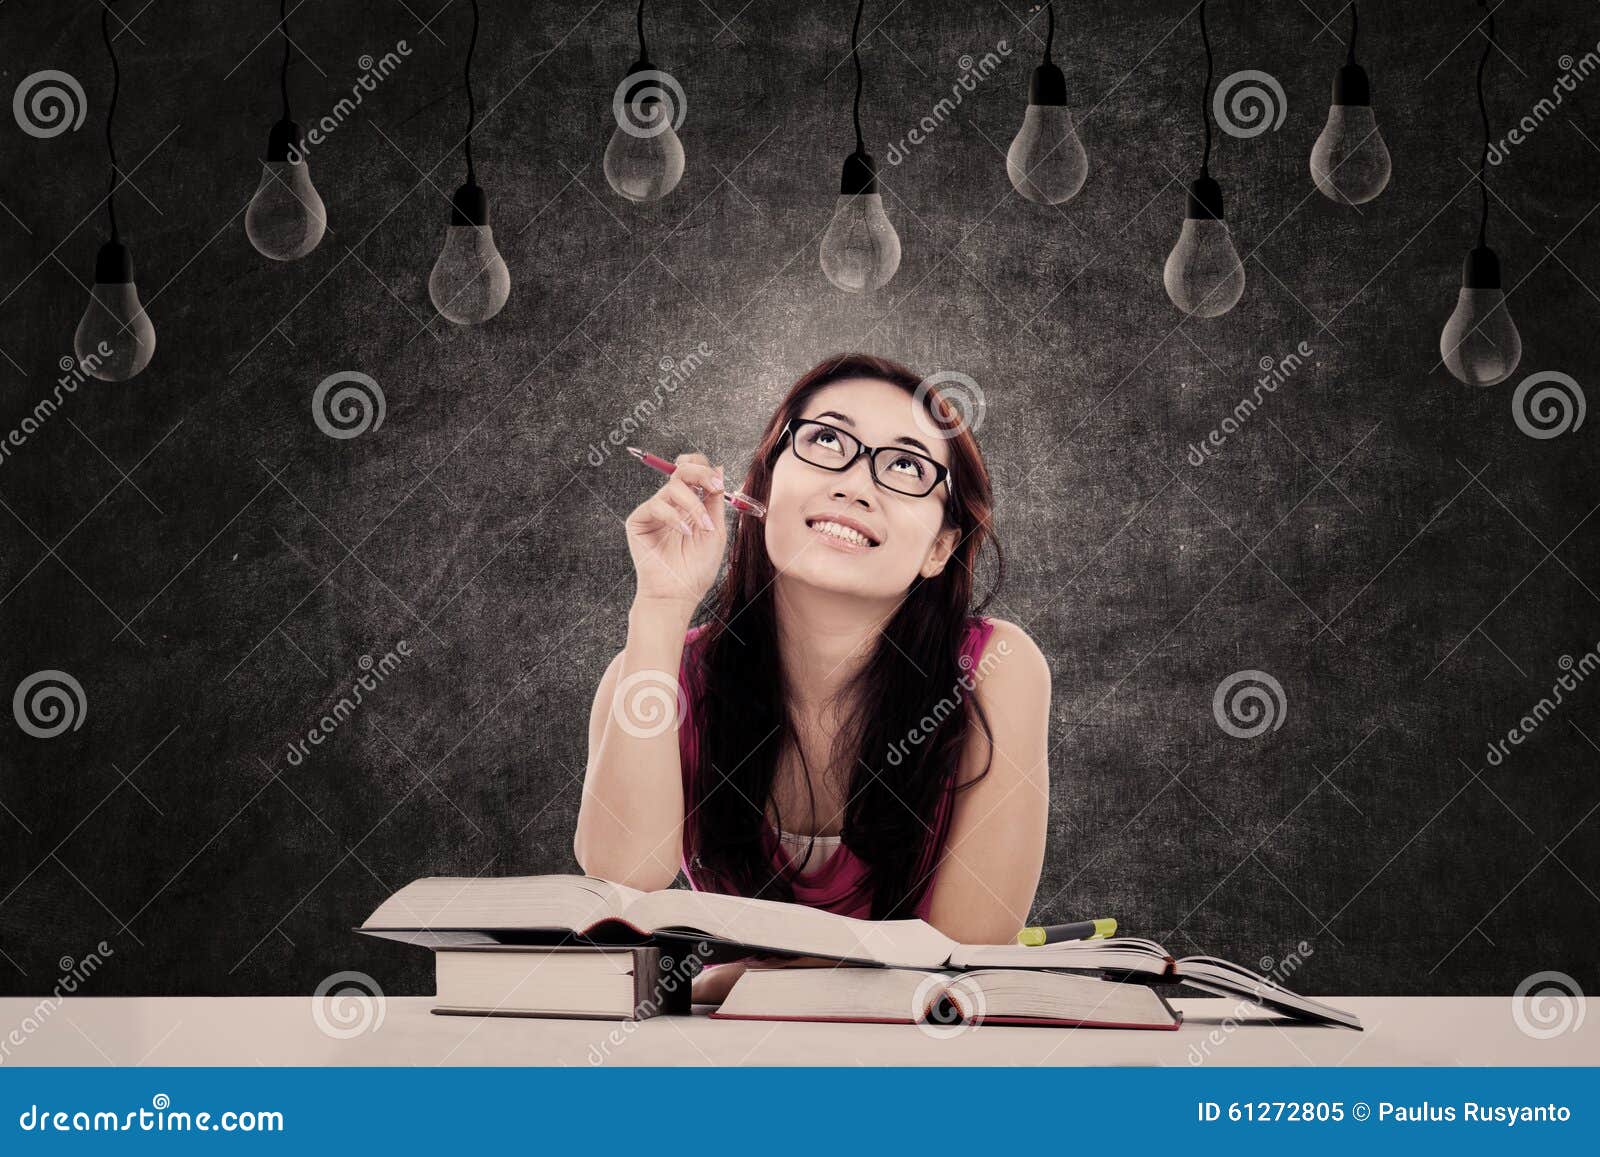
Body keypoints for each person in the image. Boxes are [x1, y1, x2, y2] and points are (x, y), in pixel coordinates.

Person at [575, 353, 1051, 1002]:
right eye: (827, 440)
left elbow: (963, 952)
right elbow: (624, 876)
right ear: (763, 489)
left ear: (940, 547)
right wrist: (660, 605)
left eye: (905, 465)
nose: (855, 485)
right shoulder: (655, 672)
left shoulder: (997, 671)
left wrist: (735, 980)